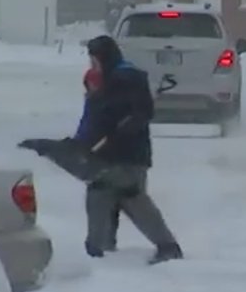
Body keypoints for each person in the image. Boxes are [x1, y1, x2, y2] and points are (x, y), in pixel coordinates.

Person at [76, 35, 183, 264]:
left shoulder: (126, 79)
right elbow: (95, 120)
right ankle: (103, 248)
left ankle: (100, 250)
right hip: (110, 155)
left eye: (94, 60)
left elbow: (138, 114)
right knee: (114, 197)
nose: (92, 65)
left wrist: (116, 133)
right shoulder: (105, 79)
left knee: (121, 197)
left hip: (127, 155)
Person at [76, 67, 120, 251]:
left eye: (95, 84)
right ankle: (100, 240)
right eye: (89, 85)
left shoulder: (108, 104)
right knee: (99, 201)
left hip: (109, 157)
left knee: (109, 201)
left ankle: (105, 240)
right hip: (95, 156)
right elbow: (85, 126)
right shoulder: (92, 101)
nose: (91, 88)